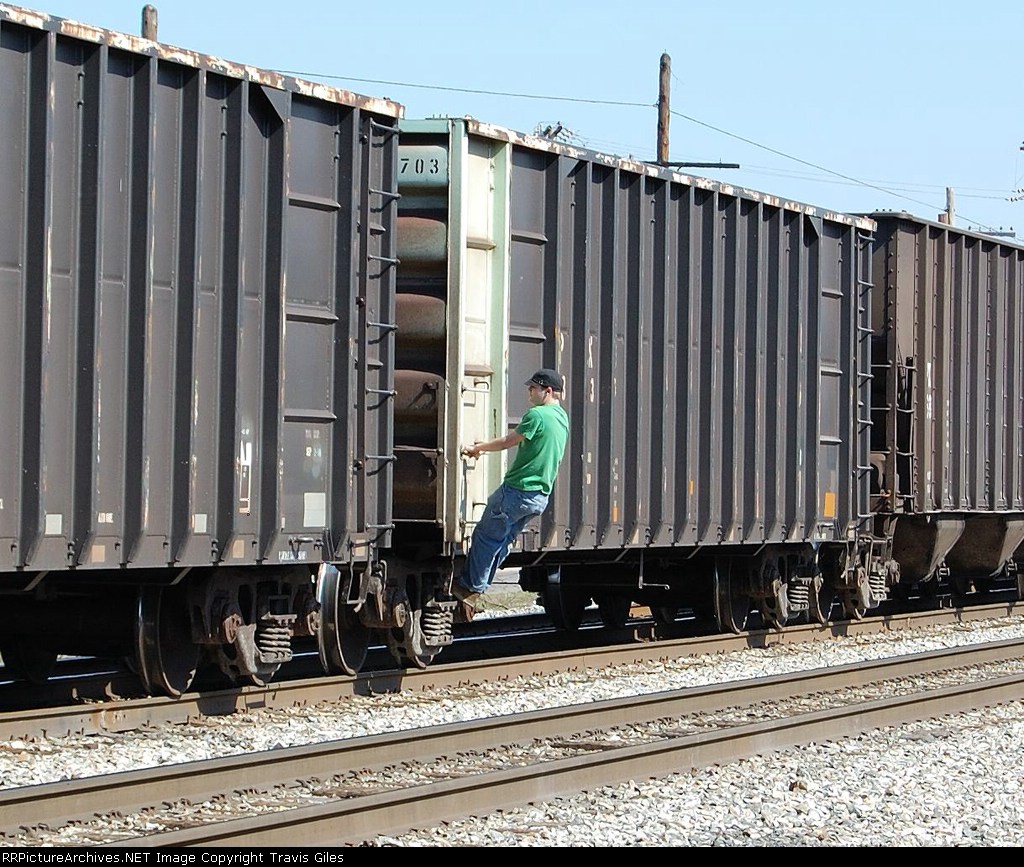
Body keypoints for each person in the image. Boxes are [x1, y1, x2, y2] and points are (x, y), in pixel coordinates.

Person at [453, 368, 570, 619]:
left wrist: (478, 448)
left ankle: (469, 589)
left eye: (533, 388)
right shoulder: (561, 417)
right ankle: (477, 588)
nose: (529, 392)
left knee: (485, 537)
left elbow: (509, 441)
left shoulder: (537, 415)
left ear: (548, 391)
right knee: (503, 542)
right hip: (539, 497)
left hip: (517, 491)